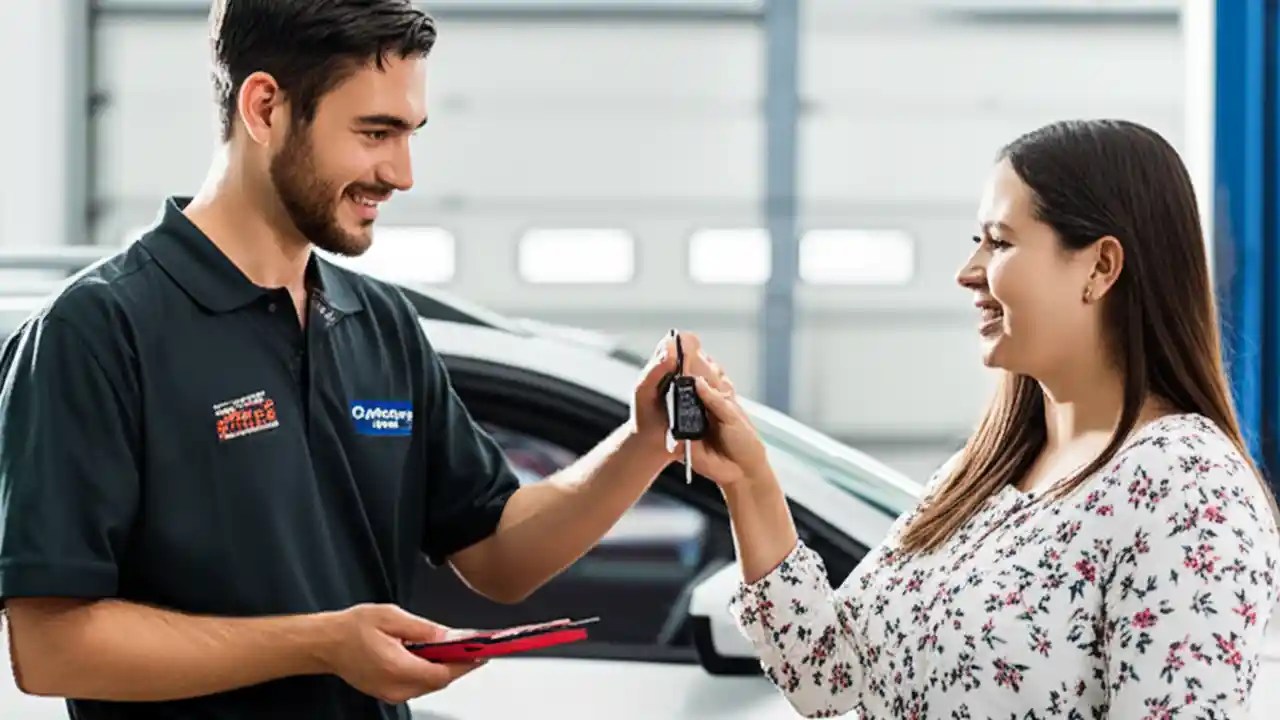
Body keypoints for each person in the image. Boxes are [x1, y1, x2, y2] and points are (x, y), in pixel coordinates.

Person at [0, 2, 717, 718]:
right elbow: (51, 646)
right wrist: (319, 645)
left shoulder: (380, 323)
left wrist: (643, 440)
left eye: (409, 134)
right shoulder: (95, 332)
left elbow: (500, 555)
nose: (401, 173)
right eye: (376, 132)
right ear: (265, 107)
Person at [685, 119, 1280, 718]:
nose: (968, 271)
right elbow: (828, 676)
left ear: (1100, 267)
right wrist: (747, 479)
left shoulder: (1187, 486)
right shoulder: (981, 476)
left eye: (1000, 242)